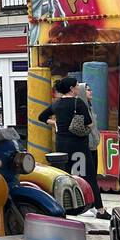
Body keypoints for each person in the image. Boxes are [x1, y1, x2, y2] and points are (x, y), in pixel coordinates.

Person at [38, 76, 97, 212]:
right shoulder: (79, 103)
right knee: (88, 176)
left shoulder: (57, 104)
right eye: (76, 86)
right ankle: (97, 208)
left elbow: (41, 117)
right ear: (71, 89)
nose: (78, 88)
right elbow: (89, 123)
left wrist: (55, 123)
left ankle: (66, 207)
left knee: (65, 175)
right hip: (78, 145)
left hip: (61, 145)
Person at [80, 82, 108, 220]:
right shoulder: (81, 108)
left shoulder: (90, 108)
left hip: (92, 145)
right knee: (90, 178)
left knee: (92, 177)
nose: (91, 92)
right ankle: (100, 209)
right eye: (87, 90)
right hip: (86, 147)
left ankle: (92, 205)